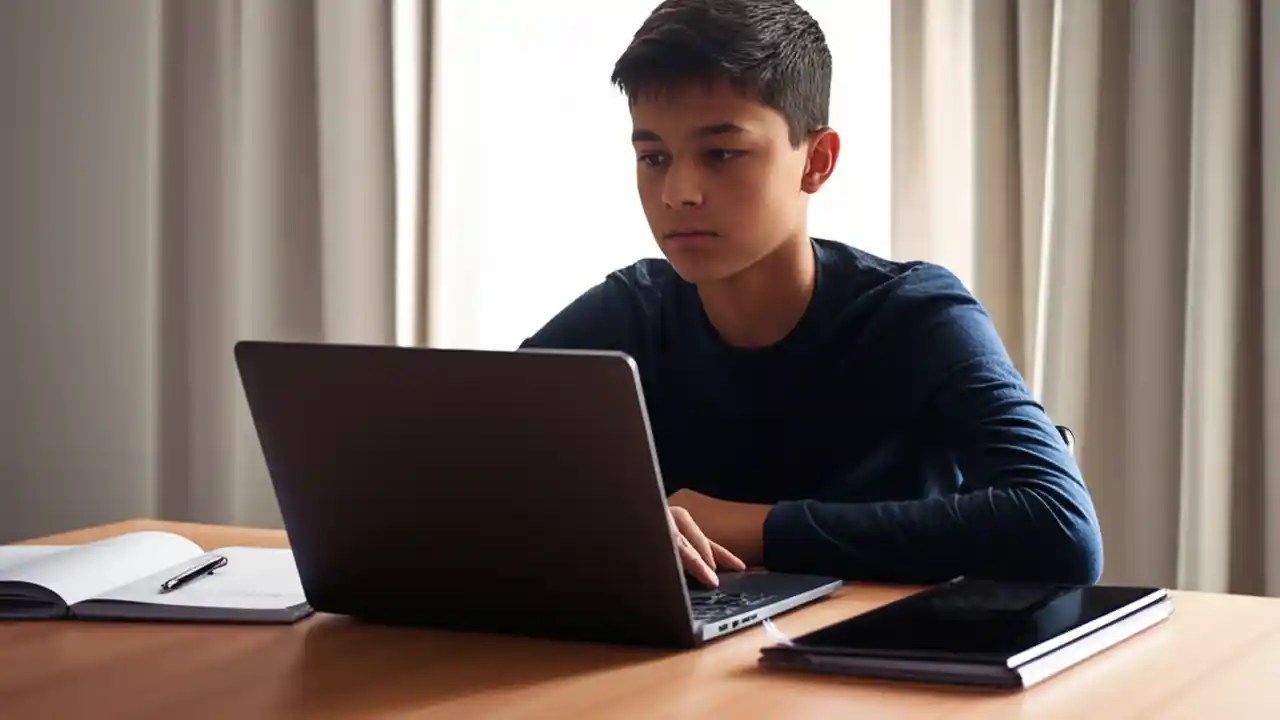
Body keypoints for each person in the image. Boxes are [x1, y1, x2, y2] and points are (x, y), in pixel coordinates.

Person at [520, 0, 1103, 588]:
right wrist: (622, 527)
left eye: (721, 153)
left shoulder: (915, 313)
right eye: (654, 157)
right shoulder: (629, 313)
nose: (678, 192)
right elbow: (459, 475)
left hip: (886, 664)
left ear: (816, 162)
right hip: (685, 664)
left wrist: (752, 528)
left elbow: (1062, 527)